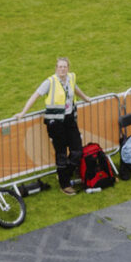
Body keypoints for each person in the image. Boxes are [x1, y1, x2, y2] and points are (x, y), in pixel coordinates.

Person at [19, 57, 92, 194]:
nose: (62, 69)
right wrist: (23, 112)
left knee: (77, 151)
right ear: (56, 68)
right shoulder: (50, 82)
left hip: (70, 120)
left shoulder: (71, 78)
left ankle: (63, 173)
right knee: (62, 154)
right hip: (55, 123)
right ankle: (64, 185)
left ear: (68, 68)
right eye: (60, 67)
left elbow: (75, 89)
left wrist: (86, 98)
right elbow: (35, 96)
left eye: (64, 67)